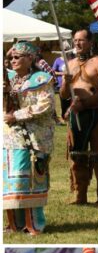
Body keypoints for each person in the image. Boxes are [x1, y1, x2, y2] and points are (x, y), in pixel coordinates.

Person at [3, 41, 57, 235]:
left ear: (30, 59)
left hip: (33, 139)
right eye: (11, 58)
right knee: (12, 181)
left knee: (29, 180)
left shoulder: (40, 78)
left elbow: (46, 105)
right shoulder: (8, 80)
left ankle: (34, 224)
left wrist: (16, 115)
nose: (13, 60)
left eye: (18, 57)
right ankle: (15, 224)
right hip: (9, 139)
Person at [60, 28, 98, 206]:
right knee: (77, 155)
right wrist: (66, 83)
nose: (77, 43)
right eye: (75, 40)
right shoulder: (70, 63)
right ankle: (79, 194)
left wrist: (86, 103)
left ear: (90, 42)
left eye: (81, 40)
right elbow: (63, 94)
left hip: (96, 112)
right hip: (76, 115)